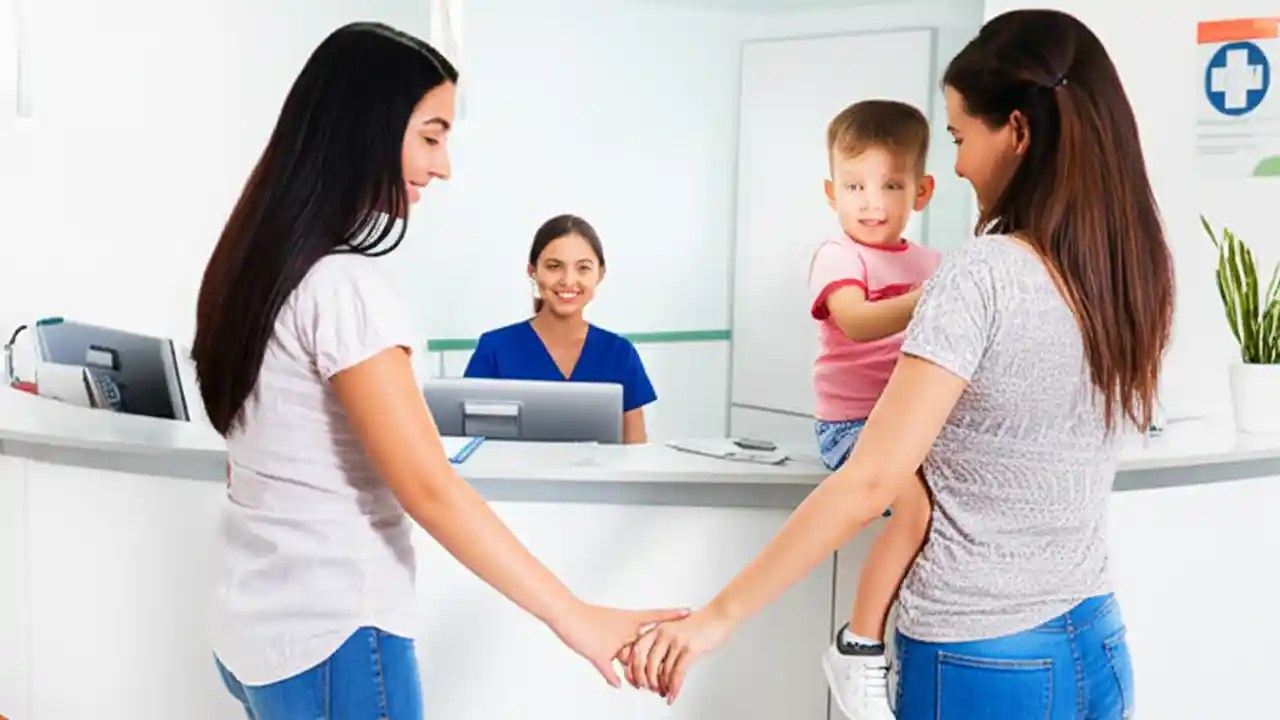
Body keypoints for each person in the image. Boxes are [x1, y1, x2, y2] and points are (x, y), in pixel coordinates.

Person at [625, 9, 1173, 719]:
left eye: (958, 137)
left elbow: (870, 482)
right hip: (1098, 643)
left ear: (1017, 131)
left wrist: (714, 619)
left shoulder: (981, 277)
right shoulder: (1131, 272)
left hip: (982, 657)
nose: (956, 164)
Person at [192, 23, 684, 719]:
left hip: (254, 626)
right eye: (431, 135)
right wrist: (575, 616)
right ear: (368, 126)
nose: (444, 164)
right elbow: (429, 487)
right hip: (335, 635)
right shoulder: (343, 286)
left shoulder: (256, 266)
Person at [807, 100, 940, 720]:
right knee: (912, 510)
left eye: (891, 185)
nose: (871, 202)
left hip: (912, 424)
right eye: (855, 186)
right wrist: (926, 300)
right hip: (852, 428)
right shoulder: (840, 256)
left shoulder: (933, 264)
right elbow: (856, 321)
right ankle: (858, 646)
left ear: (922, 191)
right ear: (832, 191)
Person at [464, 214, 657, 444]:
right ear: (532, 271)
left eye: (583, 268)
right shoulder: (494, 350)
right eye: (554, 267)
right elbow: (468, 445)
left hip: (600, 480)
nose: (568, 280)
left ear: (600, 274)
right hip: (516, 480)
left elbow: (635, 453)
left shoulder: (619, 353)